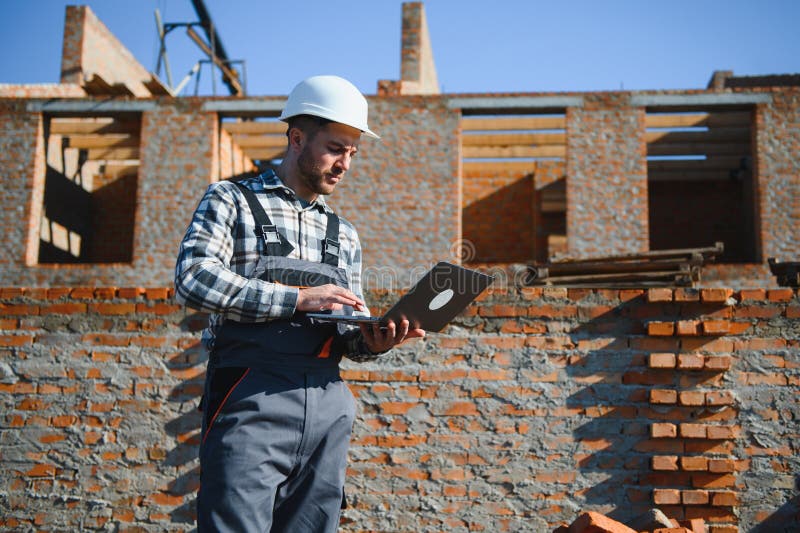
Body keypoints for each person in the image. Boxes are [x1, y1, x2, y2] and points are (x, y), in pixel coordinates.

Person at [175, 75, 425, 532]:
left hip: (329, 404)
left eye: (353, 152)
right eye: (335, 148)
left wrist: (376, 339)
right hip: (250, 396)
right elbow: (193, 279)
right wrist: (297, 298)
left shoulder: (344, 233)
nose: (345, 163)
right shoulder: (231, 200)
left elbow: (348, 336)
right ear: (296, 138)